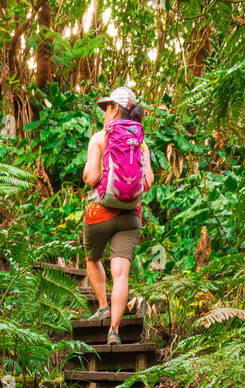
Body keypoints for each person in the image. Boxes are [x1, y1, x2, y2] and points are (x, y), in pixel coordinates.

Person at [82, 86, 154, 344]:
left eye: (107, 108)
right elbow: (148, 182)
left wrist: (106, 178)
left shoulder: (99, 138)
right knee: (120, 274)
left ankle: (103, 305)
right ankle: (114, 330)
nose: (104, 114)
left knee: (92, 257)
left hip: (99, 212)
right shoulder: (140, 141)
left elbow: (90, 178)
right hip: (130, 216)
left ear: (115, 109)